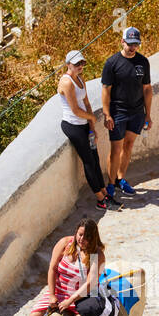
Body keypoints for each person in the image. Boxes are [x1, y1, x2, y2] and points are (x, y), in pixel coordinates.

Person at [59, 49, 118, 211]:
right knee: (88, 162)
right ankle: (100, 199)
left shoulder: (80, 79)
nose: (80, 66)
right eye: (77, 64)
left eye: (82, 63)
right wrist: (91, 118)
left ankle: (105, 192)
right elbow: (75, 110)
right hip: (73, 126)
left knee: (95, 158)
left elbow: (86, 104)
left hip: (84, 125)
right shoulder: (66, 82)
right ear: (68, 64)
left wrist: (92, 128)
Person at [100, 27, 152, 199]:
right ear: (122, 42)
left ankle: (121, 178)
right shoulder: (112, 63)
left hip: (137, 112)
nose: (132, 47)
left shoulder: (143, 62)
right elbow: (106, 90)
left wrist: (148, 114)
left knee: (128, 145)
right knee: (116, 148)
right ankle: (111, 183)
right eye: (129, 44)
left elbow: (147, 89)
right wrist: (107, 114)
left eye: (136, 44)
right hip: (118, 112)